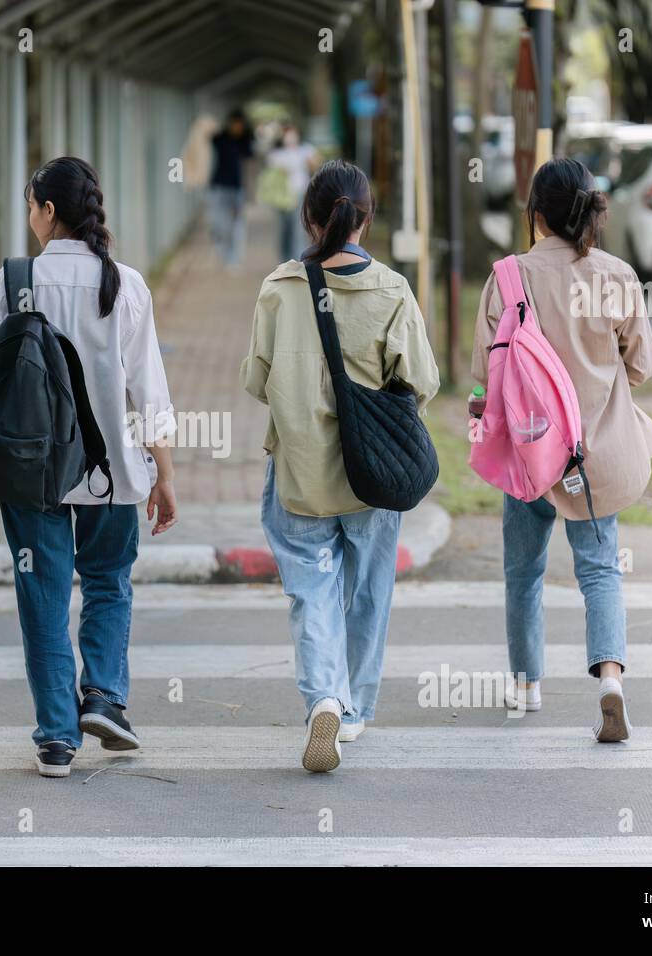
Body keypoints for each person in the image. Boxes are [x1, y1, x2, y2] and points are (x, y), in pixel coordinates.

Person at [0, 157, 179, 779]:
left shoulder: (9, 284)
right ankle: (106, 698)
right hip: (112, 471)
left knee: (42, 594)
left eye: (30, 206)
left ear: (47, 210)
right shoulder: (125, 283)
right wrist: (164, 476)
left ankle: (57, 737)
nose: (29, 218)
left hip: (30, 471)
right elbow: (151, 391)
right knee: (109, 583)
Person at [241, 159, 440, 773]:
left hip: (301, 470)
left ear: (309, 216)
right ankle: (351, 711)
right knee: (369, 589)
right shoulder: (393, 290)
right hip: (374, 475)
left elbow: (256, 380)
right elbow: (422, 381)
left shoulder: (280, 287)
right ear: (366, 219)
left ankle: (323, 695)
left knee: (311, 589)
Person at [470, 156, 652, 741]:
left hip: (528, 454)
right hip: (594, 458)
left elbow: (485, 370)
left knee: (523, 571)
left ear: (534, 215)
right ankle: (610, 680)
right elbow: (642, 363)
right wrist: (599, 389)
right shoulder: (616, 276)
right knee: (601, 569)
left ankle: (527, 684)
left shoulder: (509, 277)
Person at [263, 124, 319, 262]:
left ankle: (298, 260)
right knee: (283, 229)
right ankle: (284, 260)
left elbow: (316, 163)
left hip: (299, 195)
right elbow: (274, 171)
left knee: (297, 228)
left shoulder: (305, 149)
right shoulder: (276, 153)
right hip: (281, 198)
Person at [208, 109, 255, 268]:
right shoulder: (220, 138)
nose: (237, 127)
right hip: (219, 186)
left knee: (237, 224)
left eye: (239, 124)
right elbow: (208, 137)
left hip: (238, 188)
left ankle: (235, 257)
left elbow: (250, 156)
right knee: (220, 223)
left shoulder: (245, 140)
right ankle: (223, 253)